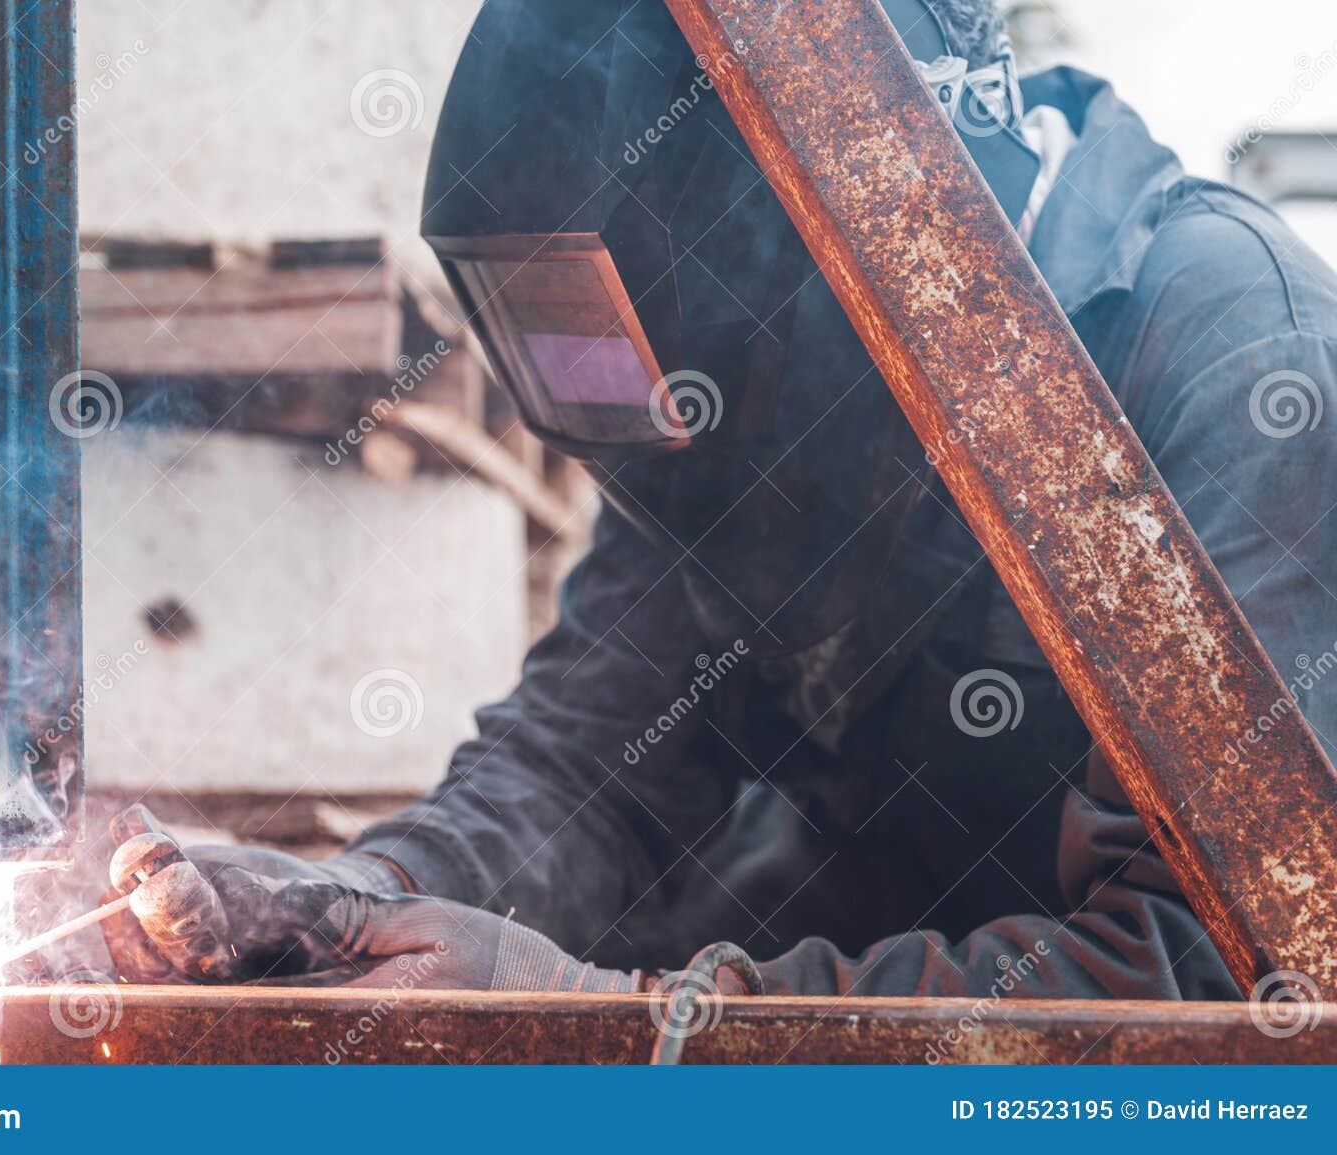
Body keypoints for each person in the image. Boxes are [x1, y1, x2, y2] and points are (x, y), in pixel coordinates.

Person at [109, 0, 1337, 1000]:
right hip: (888, 944)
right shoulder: (729, 448)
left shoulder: (1228, 362)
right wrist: (351, 897)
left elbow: (1232, 974)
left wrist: (630, 1021)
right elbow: (581, 772)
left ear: (824, 260)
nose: (668, 452)